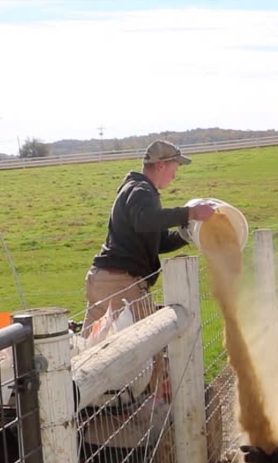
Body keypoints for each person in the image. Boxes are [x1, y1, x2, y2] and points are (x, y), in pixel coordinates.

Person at [82, 140, 215, 391]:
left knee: (90, 351)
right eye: (175, 166)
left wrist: (186, 235)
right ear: (161, 165)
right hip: (121, 283)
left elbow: (156, 239)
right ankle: (158, 406)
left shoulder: (136, 190)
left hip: (103, 279)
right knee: (149, 349)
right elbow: (146, 221)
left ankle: (86, 404)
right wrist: (190, 213)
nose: (175, 174)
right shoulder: (142, 191)